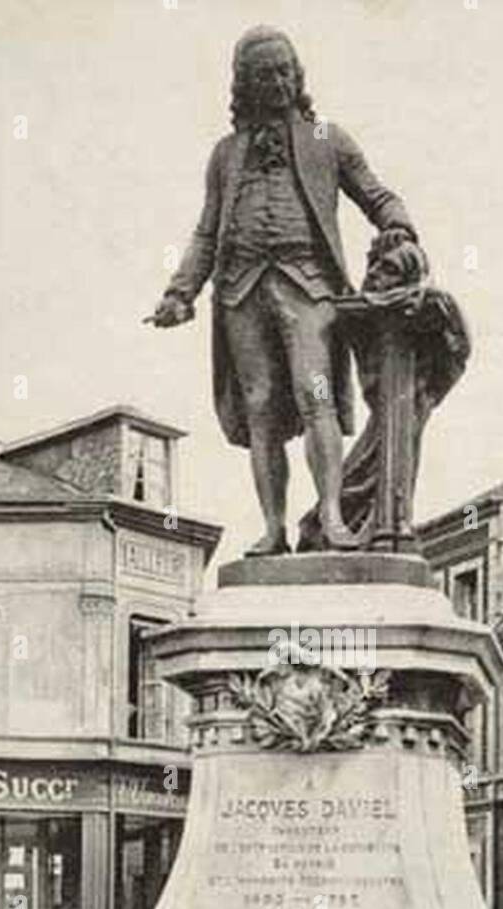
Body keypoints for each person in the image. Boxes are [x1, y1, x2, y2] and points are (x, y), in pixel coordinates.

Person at [151, 25, 417, 555]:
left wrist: (401, 228)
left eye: (284, 71)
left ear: (298, 77)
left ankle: (333, 519)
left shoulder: (327, 139)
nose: (276, 81)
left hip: (309, 287)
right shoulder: (225, 154)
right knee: (260, 406)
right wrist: (180, 292)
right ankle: (273, 528)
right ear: (244, 85)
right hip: (240, 293)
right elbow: (207, 230)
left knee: (315, 393)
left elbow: (375, 194)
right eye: (263, 74)